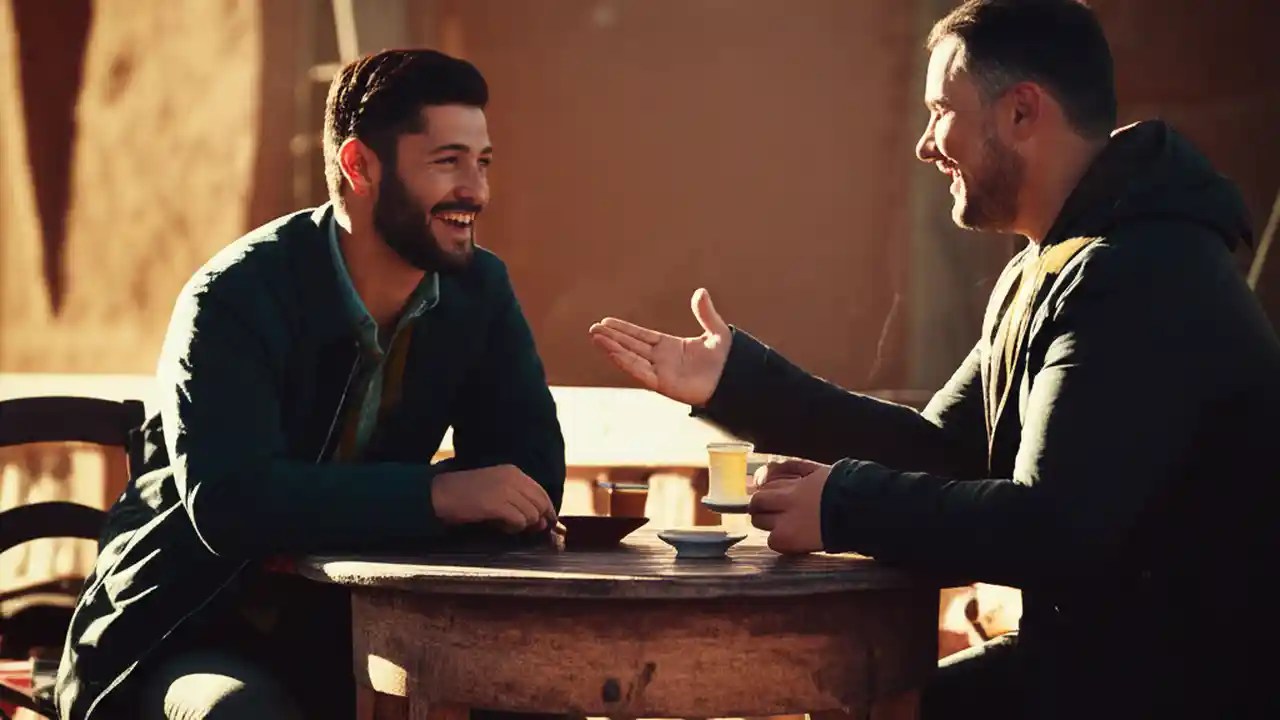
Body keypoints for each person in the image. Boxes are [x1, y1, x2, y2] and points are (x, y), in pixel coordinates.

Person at [589, 1, 1278, 717]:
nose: (924, 144)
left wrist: (846, 505)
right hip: (1102, 662)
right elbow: (940, 451)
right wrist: (741, 384)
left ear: (1020, 113)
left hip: (1187, 684)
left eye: (940, 110)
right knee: (872, 702)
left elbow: (1057, 529)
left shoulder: (1143, 273)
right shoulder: (1050, 266)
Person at [55, 49, 565, 720]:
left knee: (540, 701)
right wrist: (436, 495)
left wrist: (451, 502)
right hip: (187, 630)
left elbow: (525, 479)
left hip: (360, 628)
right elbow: (232, 506)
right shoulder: (234, 298)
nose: (476, 190)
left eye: (483, 161)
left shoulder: (478, 291)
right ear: (360, 166)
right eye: (447, 162)